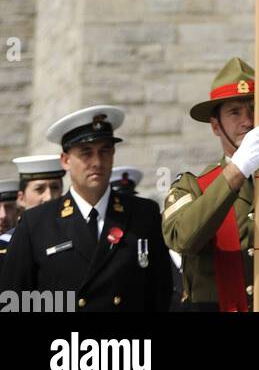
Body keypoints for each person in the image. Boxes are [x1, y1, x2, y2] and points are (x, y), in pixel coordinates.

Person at [161, 57, 259, 311]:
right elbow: (183, 238)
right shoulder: (192, 188)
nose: (247, 121)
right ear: (215, 126)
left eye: (254, 110)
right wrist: (237, 170)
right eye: (234, 112)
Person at [0, 106, 172, 312]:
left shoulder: (143, 215)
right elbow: (13, 301)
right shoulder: (37, 223)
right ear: (65, 160)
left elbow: (161, 294)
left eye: (104, 151)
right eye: (86, 153)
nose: (97, 162)